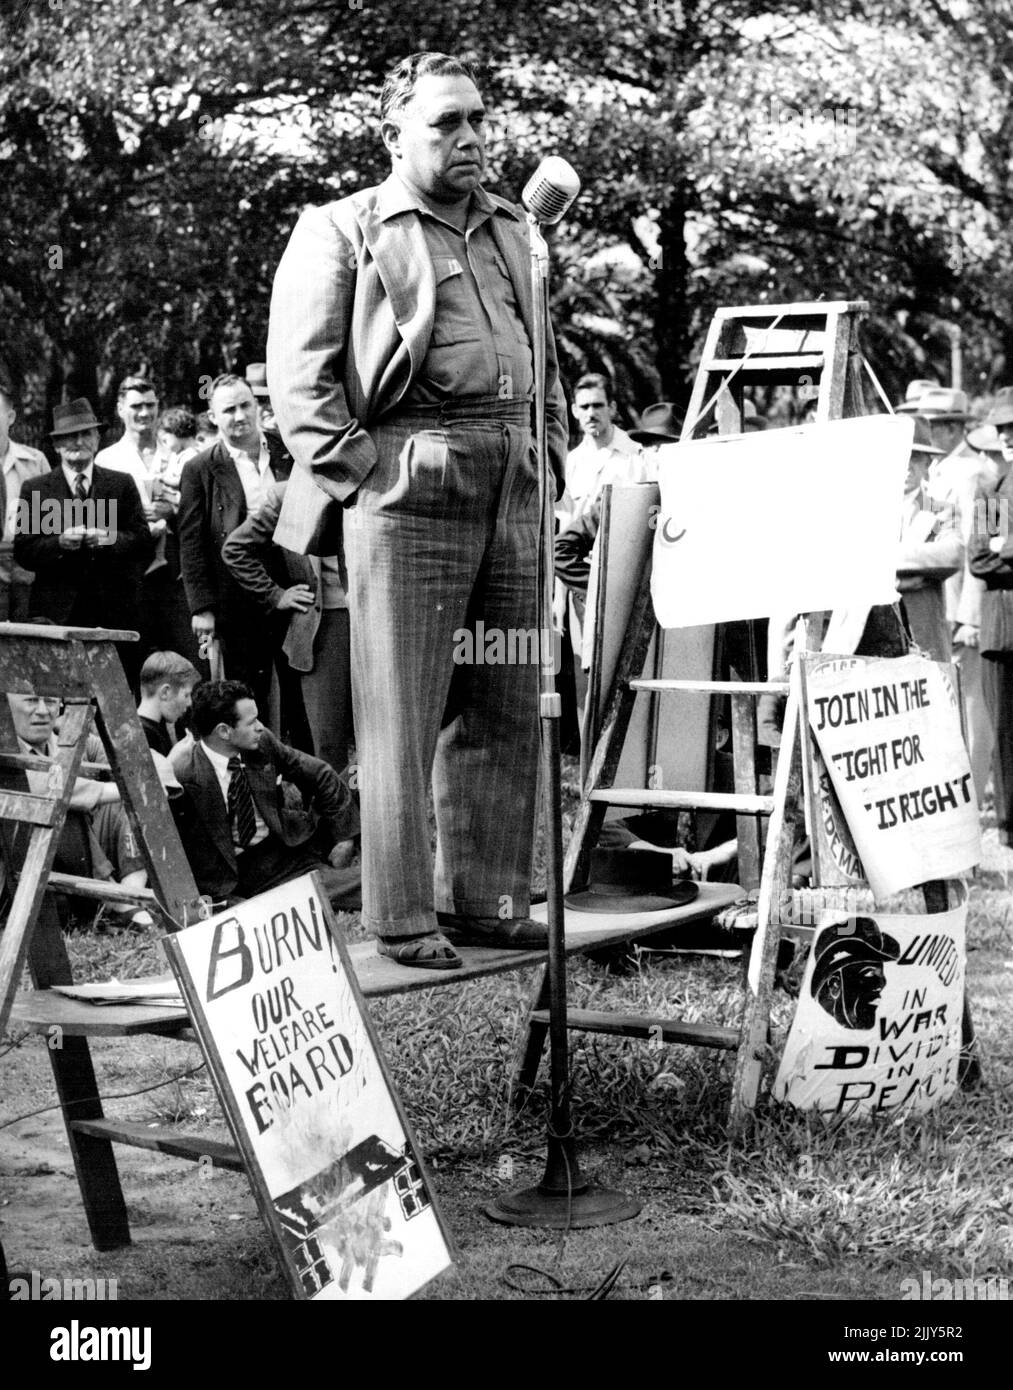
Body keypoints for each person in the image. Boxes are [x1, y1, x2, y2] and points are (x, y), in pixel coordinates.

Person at [266, 50, 569, 969]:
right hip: (409, 489)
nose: (471, 138)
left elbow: (542, 355)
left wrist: (547, 452)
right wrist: (366, 476)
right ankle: (400, 917)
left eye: (478, 119)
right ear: (393, 135)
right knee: (401, 709)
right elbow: (302, 384)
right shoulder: (344, 226)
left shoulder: (512, 227)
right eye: (446, 123)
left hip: (511, 484)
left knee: (507, 698)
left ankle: (486, 900)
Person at [170, 680, 359, 909]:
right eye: (251, 723)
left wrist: (344, 837)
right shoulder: (185, 773)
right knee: (343, 886)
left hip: (284, 844)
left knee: (359, 771)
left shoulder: (261, 742)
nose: (260, 727)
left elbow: (320, 774)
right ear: (224, 731)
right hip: (238, 872)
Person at [898, 383, 994, 804]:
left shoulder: (973, 474)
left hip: (957, 607)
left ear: (952, 428)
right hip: (933, 605)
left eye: (935, 425)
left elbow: (979, 545)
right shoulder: (939, 472)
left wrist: (972, 615)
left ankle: (969, 796)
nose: (930, 432)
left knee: (967, 708)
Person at [13, 399, 153, 687]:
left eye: (85, 434)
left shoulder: (120, 484)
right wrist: (60, 543)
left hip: (115, 611)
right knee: (58, 691)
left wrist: (108, 539)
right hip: (57, 613)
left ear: (97, 439)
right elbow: (24, 550)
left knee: (116, 693)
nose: (78, 441)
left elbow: (142, 540)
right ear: (56, 445)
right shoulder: (37, 488)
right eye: (69, 436)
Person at [177, 373, 293, 710]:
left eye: (245, 406)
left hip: (292, 581)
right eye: (229, 410)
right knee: (247, 689)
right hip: (235, 592)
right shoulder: (200, 468)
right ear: (213, 417)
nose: (239, 416)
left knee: (298, 687)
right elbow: (192, 543)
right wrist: (202, 607)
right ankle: (253, 761)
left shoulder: (287, 449)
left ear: (257, 406)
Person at [222, 480, 354, 775]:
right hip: (323, 625)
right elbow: (235, 548)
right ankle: (336, 815)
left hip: (374, 621)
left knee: (378, 733)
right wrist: (275, 595)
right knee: (327, 740)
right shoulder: (289, 494)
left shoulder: (374, 484)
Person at [8, 692, 152, 925]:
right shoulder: (5, 747)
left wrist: (143, 778)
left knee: (128, 803)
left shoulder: (64, 741)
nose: (44, 710)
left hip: (72, 856)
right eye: (32, 700)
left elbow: (127, 761)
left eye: (52, 701)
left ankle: (129, 891)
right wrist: (131, 790)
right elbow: (49, 787)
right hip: (18, 866)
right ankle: (114, 899)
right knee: (64, 806)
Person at [96, 376, 195, 664]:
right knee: (134, 658)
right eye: (136, 406)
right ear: (120, 409)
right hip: (129, 575)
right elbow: (102, 524)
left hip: (175, 570)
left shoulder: (177, 455)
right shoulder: (107, 460)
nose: (144, 413)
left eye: (150, 405)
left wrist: (172, 512)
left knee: (183, 657)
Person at [967, 388, 1013, 843]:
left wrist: (1008, 548)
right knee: (1004, 731)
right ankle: (1008, 826)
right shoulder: (992, 492)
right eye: (1003, 430)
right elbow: (979, 560)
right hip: (1000, 629)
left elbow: (996, 554)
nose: (1008, 438)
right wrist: (998, 551)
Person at [896, 417, 963, 662]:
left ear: (927, 464)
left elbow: (953, 554)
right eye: (898, 455)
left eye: (914, 458)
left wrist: (888, 562)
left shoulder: (939, 509)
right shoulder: (868, 510)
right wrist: (916, 575)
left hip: (925, 637)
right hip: (876, 641)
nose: (905, 466)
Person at [0, 379, 49, 623]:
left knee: (26, 635)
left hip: (25, 564)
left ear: (10, 417)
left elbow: (52, 516)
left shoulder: (35, 460)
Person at [137, 650, 199, 756]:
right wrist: (173, 761)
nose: (189, 703)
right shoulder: (142, 737)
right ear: (165, 692)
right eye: (186, 695)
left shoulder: (151, 730)